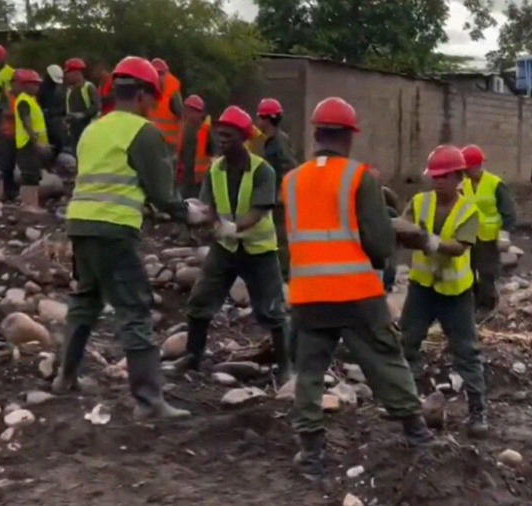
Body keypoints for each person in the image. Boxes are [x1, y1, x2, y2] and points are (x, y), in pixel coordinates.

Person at [51, 56, 209, 420]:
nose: (153, 106)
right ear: (140, 94)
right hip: (114, 229)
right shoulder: (143, 132)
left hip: (81, 225)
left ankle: (65, 378)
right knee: (134, 310)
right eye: (151, 98)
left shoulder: (94, 128)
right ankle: (150, 401)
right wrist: (190, 213)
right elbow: (162, 193)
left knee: (84, 302)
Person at [286, 96, 433, 481]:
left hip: (307, 296)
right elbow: (380, 246)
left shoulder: (291, 180)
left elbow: (289, 243)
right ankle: (418, 437)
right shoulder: (358, 177)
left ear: (316, 134)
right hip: (356, 293)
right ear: (349, 137)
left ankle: (313, 457)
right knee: (386, 361)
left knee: (309, 374)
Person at [169, 105, 290, 385]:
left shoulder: (263, 171)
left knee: (272, 310)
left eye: (228, 136)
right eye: (220, 135)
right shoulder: (215, 170)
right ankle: (192, 356)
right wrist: (197, 215)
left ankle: (285, 366)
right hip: (225, 247)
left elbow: (259, 209)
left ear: (243, 138)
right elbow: (209, 206)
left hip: (259, 250)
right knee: (200, 300)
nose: (222, 140)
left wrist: (235, 227)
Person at [397, 145, 488, 438]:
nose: (437, 181)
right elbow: (404, 228)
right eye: (434, 175)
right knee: (407, 344)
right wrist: (406, 231)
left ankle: (478, 413)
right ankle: (406, 408)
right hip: (422, 289)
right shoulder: (420, 202)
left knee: (466, 353)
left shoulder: (469, 211)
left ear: (458, 176)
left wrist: (429, 240)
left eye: (443, 176)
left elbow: (459, 246)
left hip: (455, 294)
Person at [460, 144, 516, 313]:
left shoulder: (495, 183)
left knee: (486, 273)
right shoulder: (464, 184)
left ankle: (487, 305)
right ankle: (473, 303)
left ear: (474, 166)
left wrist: (504, 234)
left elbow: (508, 210)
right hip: (469, 236)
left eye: (465, 168)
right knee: (467, 271)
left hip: (488, 237)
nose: (463, 171)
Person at [255, 97, 298, 281]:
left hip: (280, 197)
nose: (257, 122)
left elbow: (289, 165)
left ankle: (284, 275)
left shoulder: (278, 142)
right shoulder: (273, 140)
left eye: (259, 118)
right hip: (274, 195)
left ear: (266, 119)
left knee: (281, 237)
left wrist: (282, 192)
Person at [14, 69, 51, 211]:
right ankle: (29, 205)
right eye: (33, 84)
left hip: (32, 143)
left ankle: (31, 204)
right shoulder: (24, 101)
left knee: (34, 174)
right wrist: (36, 142)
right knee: (29, 175)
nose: (37, 87)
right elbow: (26, 122)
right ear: (25, 85)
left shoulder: (31, 100)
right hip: (27, 144)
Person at [175, 94, 215, 199]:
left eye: (191, 111)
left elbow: (214, 153)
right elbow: (180, 152)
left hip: (200, 181)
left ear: (200, 113)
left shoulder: (206, 131)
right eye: (186, 110)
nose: (187, 114)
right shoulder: (184, 129)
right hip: (185, 178)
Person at [63, 58, 100, 150]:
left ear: (77, 73)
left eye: (68, 73)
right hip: (74, 130)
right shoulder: (69, 91)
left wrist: (82, 115)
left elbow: (97, 106)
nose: (67, 76)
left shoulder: (88, 87)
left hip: (88, 128)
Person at [148, 58, 182, 156]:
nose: (158, 77)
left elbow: (181, 118)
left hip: (168, 146)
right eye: (155, 74)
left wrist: (179, 145)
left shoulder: (172, 93)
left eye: (161, 74)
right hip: (152, 142)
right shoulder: (148, 91)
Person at [0, 72, 20, 201]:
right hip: (8, 134)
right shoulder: (8, 96)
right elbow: (4, 112)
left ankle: (13, 191)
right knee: (7, 165)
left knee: (16, 165)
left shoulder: (20, 97)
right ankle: (8, 192)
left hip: (18, 134)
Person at [38, 64, 67, 160]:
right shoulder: (41, 89)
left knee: (58, 143)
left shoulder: (56, 90)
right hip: (45, 120)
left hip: (55, 120)